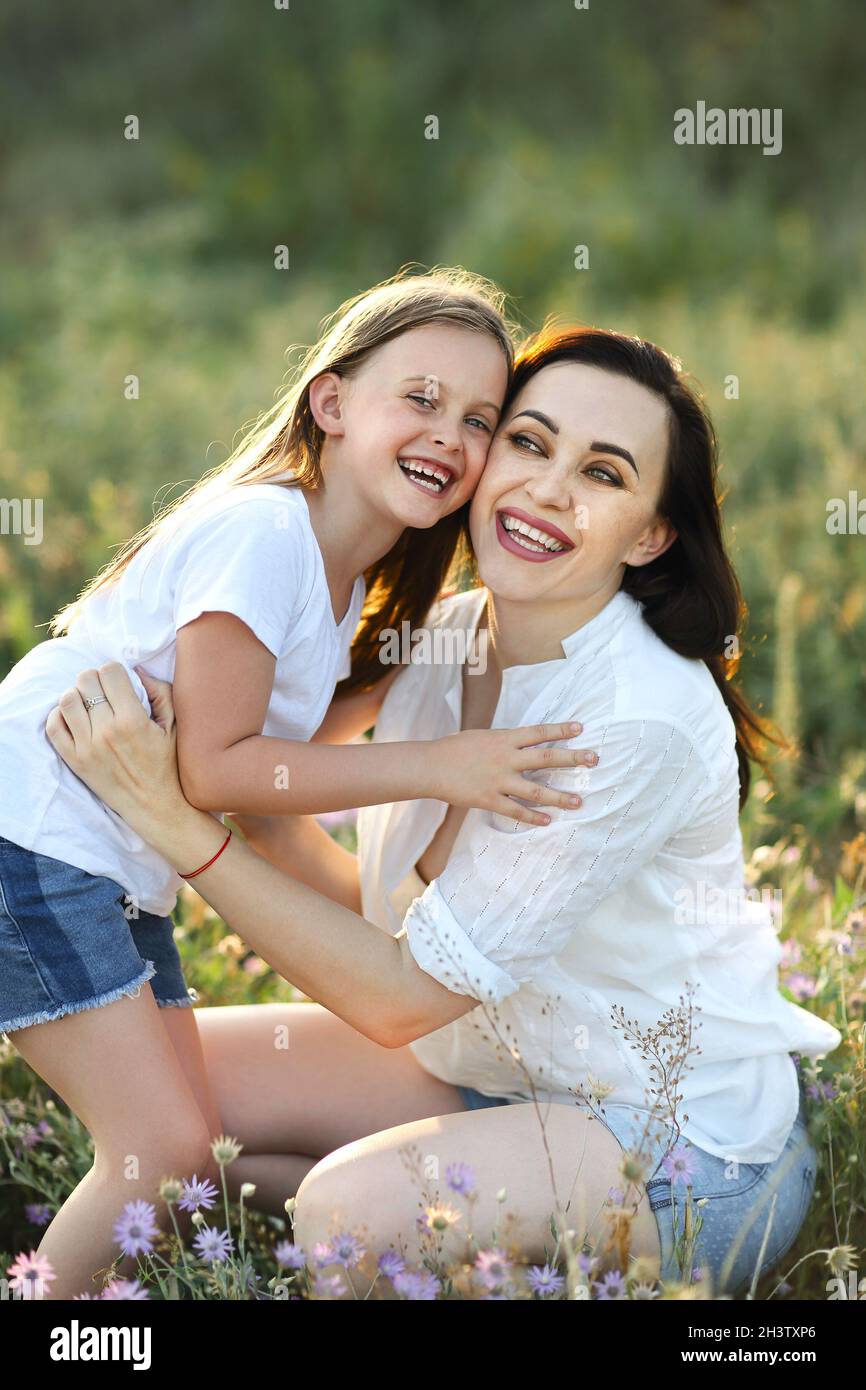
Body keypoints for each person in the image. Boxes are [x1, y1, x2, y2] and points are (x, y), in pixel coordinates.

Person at [45, 326, 841, 1298]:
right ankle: (286, 1201)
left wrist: (172, 824)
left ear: (648, 534)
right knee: (162, 1095)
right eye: (528, 442)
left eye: (600, 472)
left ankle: (322, 1211)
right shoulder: (448, 638)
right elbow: (346, 884)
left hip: (672, 1143)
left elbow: (398, 996)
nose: (548, 489)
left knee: (348, 1212)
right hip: (487, 1067)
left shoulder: (632, 719)